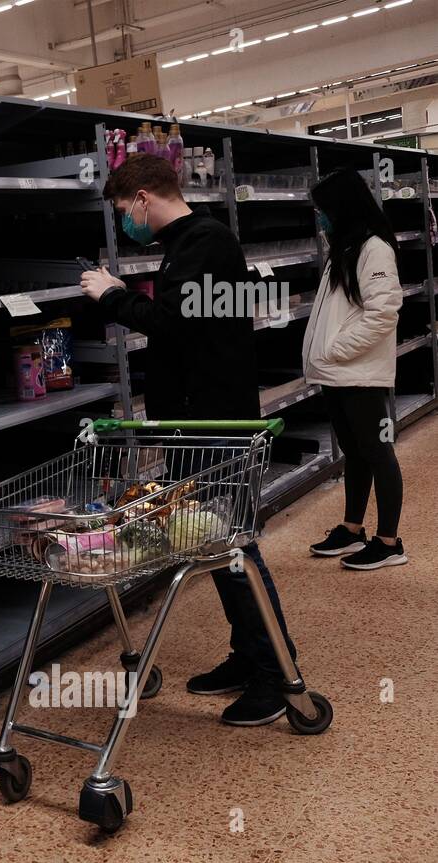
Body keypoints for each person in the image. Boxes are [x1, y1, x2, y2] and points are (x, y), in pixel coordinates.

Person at [80, 154, 298, 727]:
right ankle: (248, 657)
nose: (127, 221)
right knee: (212, 544)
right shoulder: (190, 243)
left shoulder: (205, 241)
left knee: (235, 545)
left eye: (126, 210)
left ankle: (276, 676)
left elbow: (173, 323)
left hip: (217, 427)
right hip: (197, 423)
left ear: (145, 197)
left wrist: (112, 295)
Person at [303, 167, 406, 570]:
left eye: (324, 209)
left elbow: (384, 313)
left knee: (379, 453)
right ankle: (352, 528)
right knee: (355, 452)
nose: (320, 217)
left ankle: (390, 542)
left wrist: (336, 350)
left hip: (359, 373)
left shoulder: (373, 248)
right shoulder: (344, 247)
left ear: (342, 206)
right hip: (337, 373)